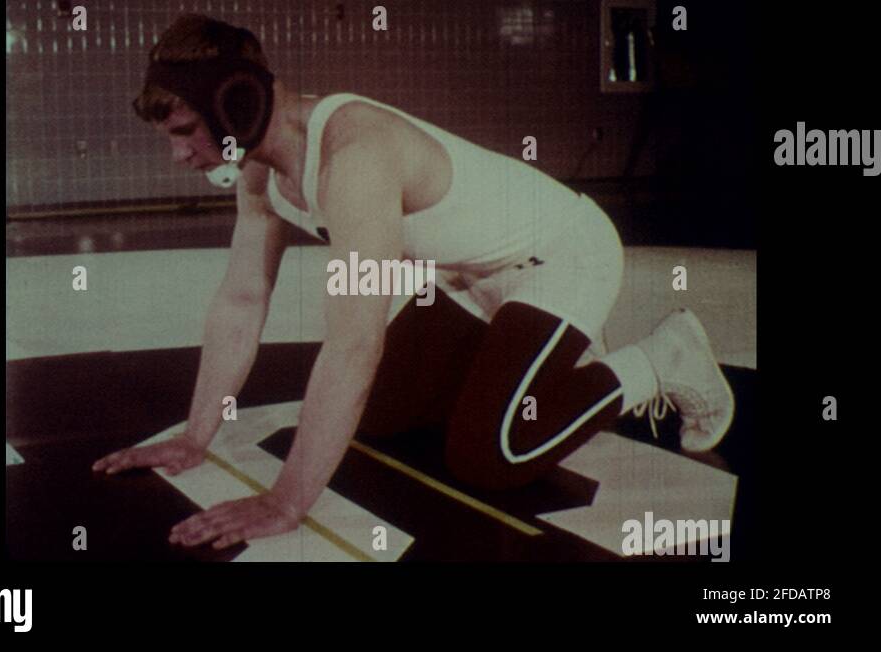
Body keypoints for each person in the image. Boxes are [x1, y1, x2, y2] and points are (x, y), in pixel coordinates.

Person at [92, 14, 734, 551]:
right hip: (469, 274)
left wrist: (287, 502)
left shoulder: (356, 157)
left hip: (561, 256)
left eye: (182, 133)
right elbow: (241, 298)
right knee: (378, 415)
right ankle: (526, 362)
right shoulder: (263, 173)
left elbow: (354, 343)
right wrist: (195, 434)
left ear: (235, 103)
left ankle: (657, 360)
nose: (179, 155)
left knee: (491, 455)